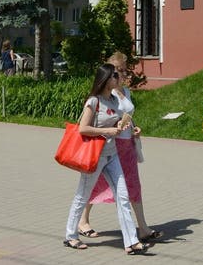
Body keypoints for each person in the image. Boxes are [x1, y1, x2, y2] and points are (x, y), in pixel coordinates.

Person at [64, 62, 149, 253]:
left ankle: (131, 242)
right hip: (95, 156)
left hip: (113, 155)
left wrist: (128, 127)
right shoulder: (93, 101)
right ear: (105, 79)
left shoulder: (113, 100)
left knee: (123, 196)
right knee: (82, 195)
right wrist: (108, 130)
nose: (117, 78)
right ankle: (70, 235)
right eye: (114, 76)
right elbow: (83, 128)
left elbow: (118, 121)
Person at [78, 52, 162, 244]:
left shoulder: (126, 91)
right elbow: (105, 118)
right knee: (99, 183)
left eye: (124, 70)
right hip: (111, 146)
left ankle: (143, 227)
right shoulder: (108, 93)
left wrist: (134, 128)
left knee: (133, 185)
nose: (122, 75)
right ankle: (83, 221)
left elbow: (127, 116)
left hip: (128, 145)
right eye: (118, 71)